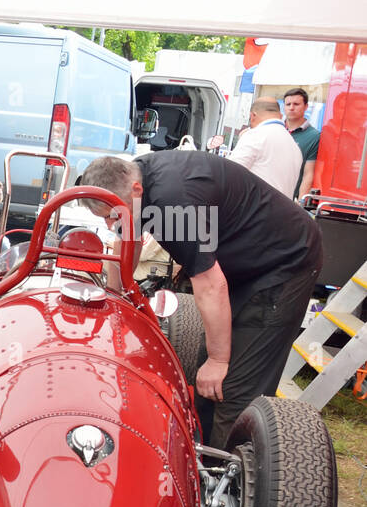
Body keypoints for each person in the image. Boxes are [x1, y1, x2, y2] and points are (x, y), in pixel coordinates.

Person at [81, 152, 322, 447]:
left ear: (135, 191)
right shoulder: (133, 176)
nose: (109, 225)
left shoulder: (173, 204)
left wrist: (219, 360)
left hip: (283, 263)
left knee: (231, 389)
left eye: (110, 216)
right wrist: (116, 299)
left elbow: (210, 285)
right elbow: (126, 240)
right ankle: (196, 459)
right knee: (203, 382)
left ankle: (229, 480)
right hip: (239, 263)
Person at [223, 96, 303, 196]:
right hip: (282, 209)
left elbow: (229, 175)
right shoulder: (294, 146)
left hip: (255, 208)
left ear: (252, 116)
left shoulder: (255, 135)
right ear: (280, 116)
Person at [283, 87, 320, 201]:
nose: (291, 108)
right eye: (288, 104)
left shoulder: (314, 136)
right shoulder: (275, 129)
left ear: (306, 106)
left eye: (296, 104)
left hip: (290, 199)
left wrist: (300, 203)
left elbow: (308, 174)